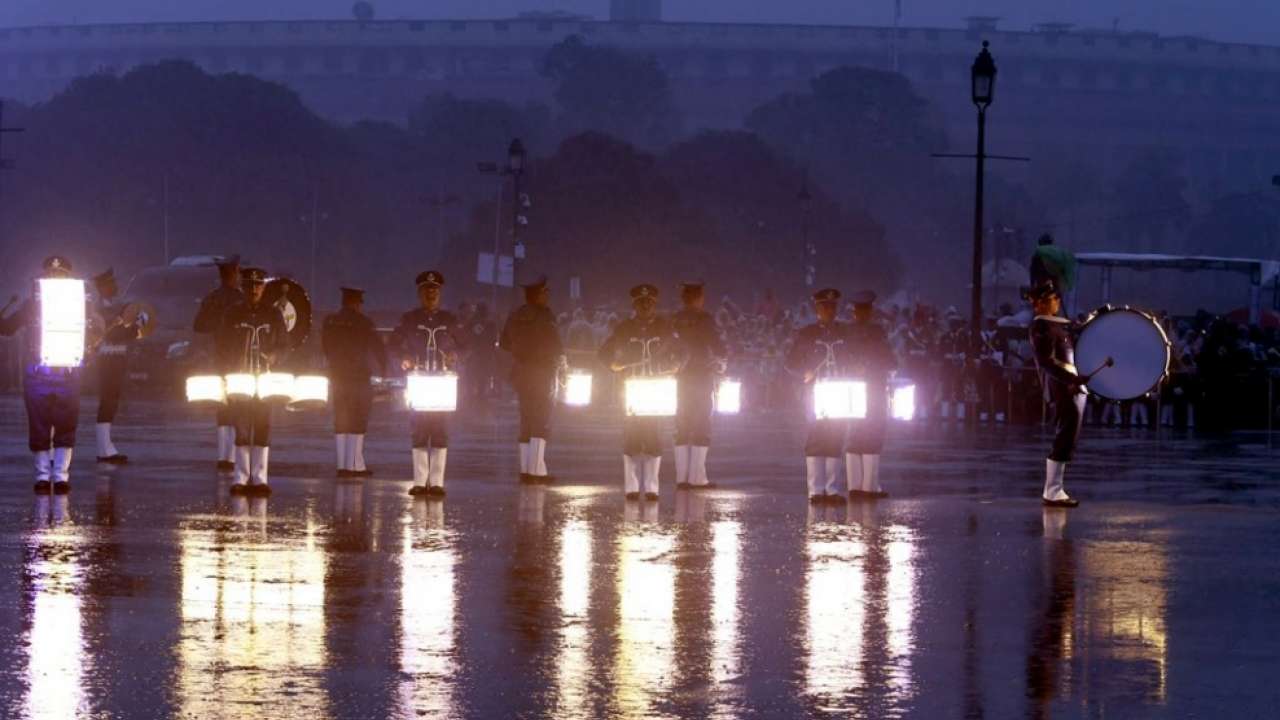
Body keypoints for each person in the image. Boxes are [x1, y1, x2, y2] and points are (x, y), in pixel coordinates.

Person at [0, 256, 94, 494]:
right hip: (38, 372)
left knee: (66, 423)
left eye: (59, 274)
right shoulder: (31, 305)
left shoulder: (81, 304)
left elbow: (94, 330)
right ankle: (43, 475)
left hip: (68, 372)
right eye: (51, 274)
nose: (55, 277)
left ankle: (61, 476)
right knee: (39, 423)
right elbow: (9, 327)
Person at [598, 284, 683, 501]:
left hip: (656, 386)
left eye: (649, 303)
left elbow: (682, 351)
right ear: (634, 305)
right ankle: (631, 486)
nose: (645, 307)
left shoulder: (665, 327)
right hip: (632, 386)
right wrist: (613, 364)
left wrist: (676, 365)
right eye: (641, 303)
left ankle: (652, 486)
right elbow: (604, 352)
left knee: (654, 436)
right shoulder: (624, 328)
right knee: (631, 437)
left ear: (654, 305)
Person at [388, 271, 466, 497]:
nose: (431, 294)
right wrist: (404, 357)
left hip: (442, 381)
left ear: (440, 294)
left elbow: (466, 346)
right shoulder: (410, 319)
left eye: (435, 290)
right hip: (419, 379)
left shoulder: (449, 320)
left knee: (440, 430)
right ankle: (420, 481)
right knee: (419, 430)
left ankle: (438, 481)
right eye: (426, 290)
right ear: (419, 293)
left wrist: (454, 355)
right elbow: (393, 344)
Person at [217, 267, 288, 496]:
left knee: (263, 426)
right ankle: (240, 477)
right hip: (240, 377)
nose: (254, 289)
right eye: (249, 286)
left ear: (264, 287)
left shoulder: (274, 314)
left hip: (265, 378)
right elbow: (222, 346)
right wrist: (226, 372)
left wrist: (276, 356)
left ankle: (259, 478)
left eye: (258, 285)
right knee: (242, 427)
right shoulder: (232, 313)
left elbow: (284, 344)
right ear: (243, 287)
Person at [785, 288, 850, 504]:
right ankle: (815, 489)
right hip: (815, 390)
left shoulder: (845, 332)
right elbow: (791, 361)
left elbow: (854, 358)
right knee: (816, 437)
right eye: (824, 306)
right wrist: (804, 371)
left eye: (832, 306)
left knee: (836, 436)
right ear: (817, 308)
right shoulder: (807, 333)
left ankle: (832, 490)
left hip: (839, 389)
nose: (829, 310)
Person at [1026, 280, 1088, 508]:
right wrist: (1071, 380)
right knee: (1065, 435)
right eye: (1052, 299)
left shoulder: (1061, 325)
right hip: (1063, 387)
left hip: (1074, 386)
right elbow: (1046, 362)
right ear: (1040, 303)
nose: (1057, 302)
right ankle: (1053, 490)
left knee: (1070, 435)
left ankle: (1056, 489)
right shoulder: (1040, 327)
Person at [500, 276, 565, 484]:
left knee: (526, 419)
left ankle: (526, 469)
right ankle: (536, 471)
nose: (548, 296)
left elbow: (504, 343)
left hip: (520, 372)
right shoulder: (545, 315)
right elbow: (554, 343)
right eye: (546, 293)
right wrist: (560, 360)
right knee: (541, 420)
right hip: (543, 372)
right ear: (538, 295)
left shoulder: (515, 315)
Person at [321, 286, 387, 479]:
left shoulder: (330, 321)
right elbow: (378, 349)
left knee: (341, 416)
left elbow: (325, 347)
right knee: (358, 418)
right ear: (357, 303)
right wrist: (383, 370)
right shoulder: (364, 322)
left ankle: (343, 464)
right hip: (359, 376)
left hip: (338, 374)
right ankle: (354, 465)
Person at [671, 281, 727, 489]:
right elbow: (717, 344)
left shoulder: (674, 319)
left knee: (682, 424)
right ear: (698, 298)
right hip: (701, 375)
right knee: (702, 423)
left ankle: (682, 477)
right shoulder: (705, 319)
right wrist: (724, 356)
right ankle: (697, 477)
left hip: (679, 376)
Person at [193, 255, 244, 471]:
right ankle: (233, 455)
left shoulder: (211, 298)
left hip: (218, 355)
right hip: (240, 357)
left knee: (222, 404)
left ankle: (223, 455)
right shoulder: (241, 299)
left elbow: (199, 325)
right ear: (234, 273)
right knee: (239, 404)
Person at [844, 290, 897, 499]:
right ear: (870, 310)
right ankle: (870, 486)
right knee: (873, 433)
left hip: (850, 387)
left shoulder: (846, 331)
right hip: (873, 387)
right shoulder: (877, 331)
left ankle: (854, 486)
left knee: (853, 434)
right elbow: (889, 360)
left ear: (854, 311)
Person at [91, 268, 143, 464]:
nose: (115, 287)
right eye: (111, 284)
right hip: (106, 359)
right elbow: (110, 334)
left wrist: (131, 326)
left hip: (118, 357)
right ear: (102, 287)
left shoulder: (119, 306)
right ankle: (103, 448)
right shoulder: (97, 310)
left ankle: (106, 446)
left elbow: (132, 329)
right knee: (108, 401)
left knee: (112, 401)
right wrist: (128, 330)